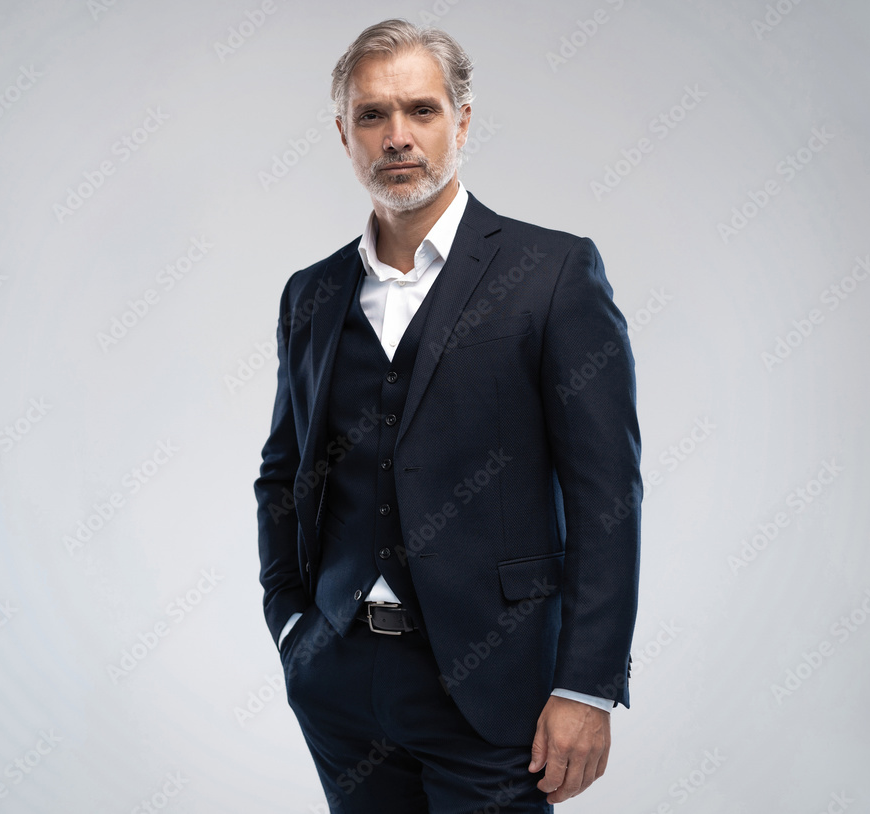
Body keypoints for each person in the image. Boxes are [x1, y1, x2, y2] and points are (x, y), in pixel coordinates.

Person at [254, 18, 641, 813]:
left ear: (461, 121)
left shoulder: (553, 273)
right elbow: (284, 474)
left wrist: (588, 687)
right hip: (342, 681)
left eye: (421, 111)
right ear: (343, 134)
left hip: (501, 686)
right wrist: (293, 627)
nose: (398, 137)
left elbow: (608, 495)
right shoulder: (313, 293)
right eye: (373, 116)